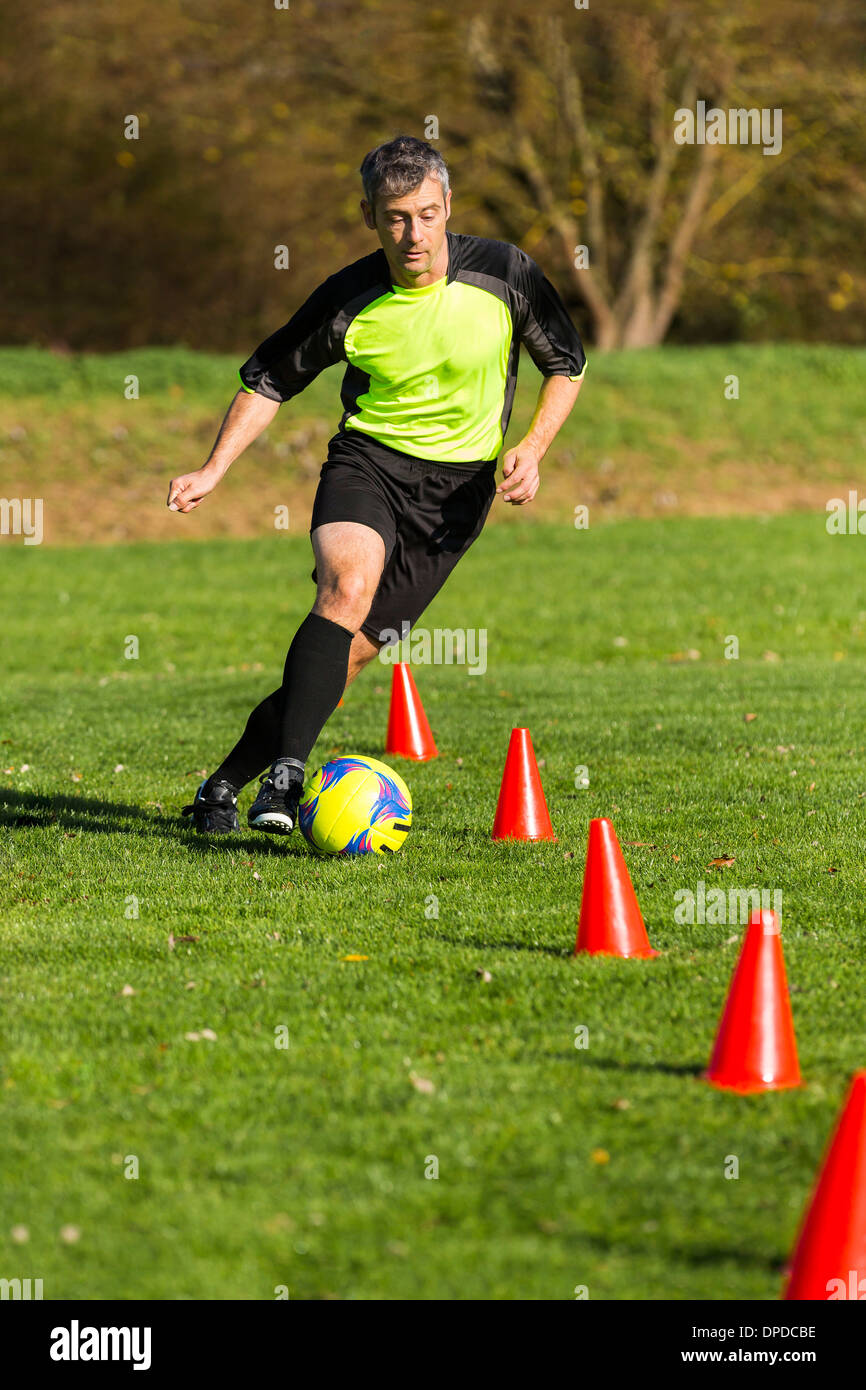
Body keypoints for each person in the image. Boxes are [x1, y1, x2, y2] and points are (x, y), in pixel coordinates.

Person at [169, 135, 586, 836]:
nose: (413, 233)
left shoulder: (507, 273)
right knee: (347, 587)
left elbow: (566, 365)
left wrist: (534, 448)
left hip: (456, 500)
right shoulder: (347, 298)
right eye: (395, 217)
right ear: (369, 215)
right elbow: (268, 380)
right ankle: (286, 779)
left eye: (426, 213)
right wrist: (214, 468)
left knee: (348, 657)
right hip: (368, 466)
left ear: (447, 205)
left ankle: (222, 785)